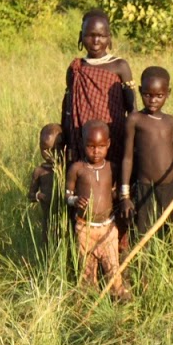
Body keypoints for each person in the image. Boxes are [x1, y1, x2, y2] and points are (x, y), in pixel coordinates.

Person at [61, 11, 134, 189]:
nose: (96, 41)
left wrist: (133, 141)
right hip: (83, 139)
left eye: (101, 36)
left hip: (113, 137)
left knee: (112, 183)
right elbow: (68, 107)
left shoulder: (120, 66)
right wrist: (67, 139)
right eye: (90, 35)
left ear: (109, 37)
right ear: (81, 36)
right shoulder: (76, 68)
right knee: (84, 183)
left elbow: (132, 108)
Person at [65, 120, 129, 301]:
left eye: (101, 146)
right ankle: (88, 301)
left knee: (113, 268)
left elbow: (115, 191)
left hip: (107, 228)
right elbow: (67, 195)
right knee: (86, 270)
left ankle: (119, 298)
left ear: (108, 144)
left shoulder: (111, 168)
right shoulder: (77, 169)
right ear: (82, 144)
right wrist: (75, 200)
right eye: (91, 146)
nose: (96, 151)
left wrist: (120, 197)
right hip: (85, 229)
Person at [120, 66, 173, 237]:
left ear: (168, 93)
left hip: (171, 186)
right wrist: (125, 195)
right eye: (147, 95)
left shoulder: (170, 121)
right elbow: (127, 158)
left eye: (159, 96)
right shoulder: (135, 119)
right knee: (145, 234)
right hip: (146, 188)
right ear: (140, 91)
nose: (153, 100)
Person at [28, 123, 65, 237]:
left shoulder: (66, 169)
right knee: (47, 239)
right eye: (45, 149)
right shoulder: (39, 171)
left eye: (54, 149)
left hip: (65, 216)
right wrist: (38, 196)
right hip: (47, 217)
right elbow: (30, 195)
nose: (50, 154)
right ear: (40, 147)